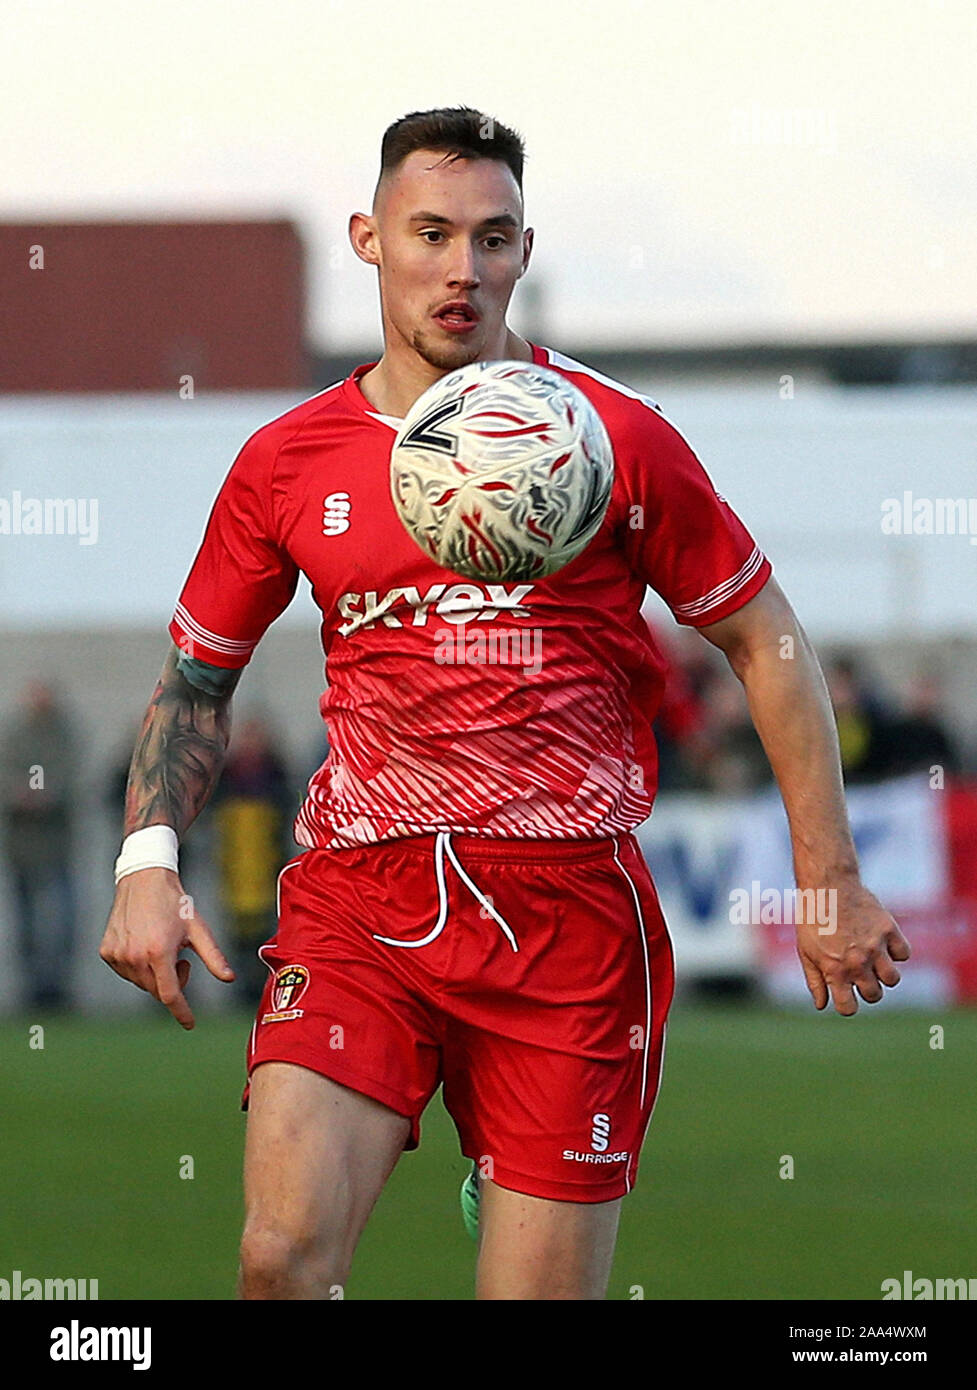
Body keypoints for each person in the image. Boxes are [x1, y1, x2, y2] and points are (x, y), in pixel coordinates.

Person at [99, 106, 911, 1301]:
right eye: (431, 233)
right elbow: (197, 679)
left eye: (493, 237)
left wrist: (827, 875)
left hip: (567, 919)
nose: (462, 268)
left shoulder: (613, 439)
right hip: (362, 896)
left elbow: (762, 634)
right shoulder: (287, 462)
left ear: (524, 250)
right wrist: (147, 859)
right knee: (278, 1257)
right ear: (368, 238)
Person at [0, 680, 79, 1009]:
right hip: (21, 848)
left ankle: (55, 987)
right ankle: (34, 990)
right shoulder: (15, 738)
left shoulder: (64, 737)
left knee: (59, 921)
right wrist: (18, 794)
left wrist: (47, 795)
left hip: (56, 847)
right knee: (27, 924)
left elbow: (72, 777)